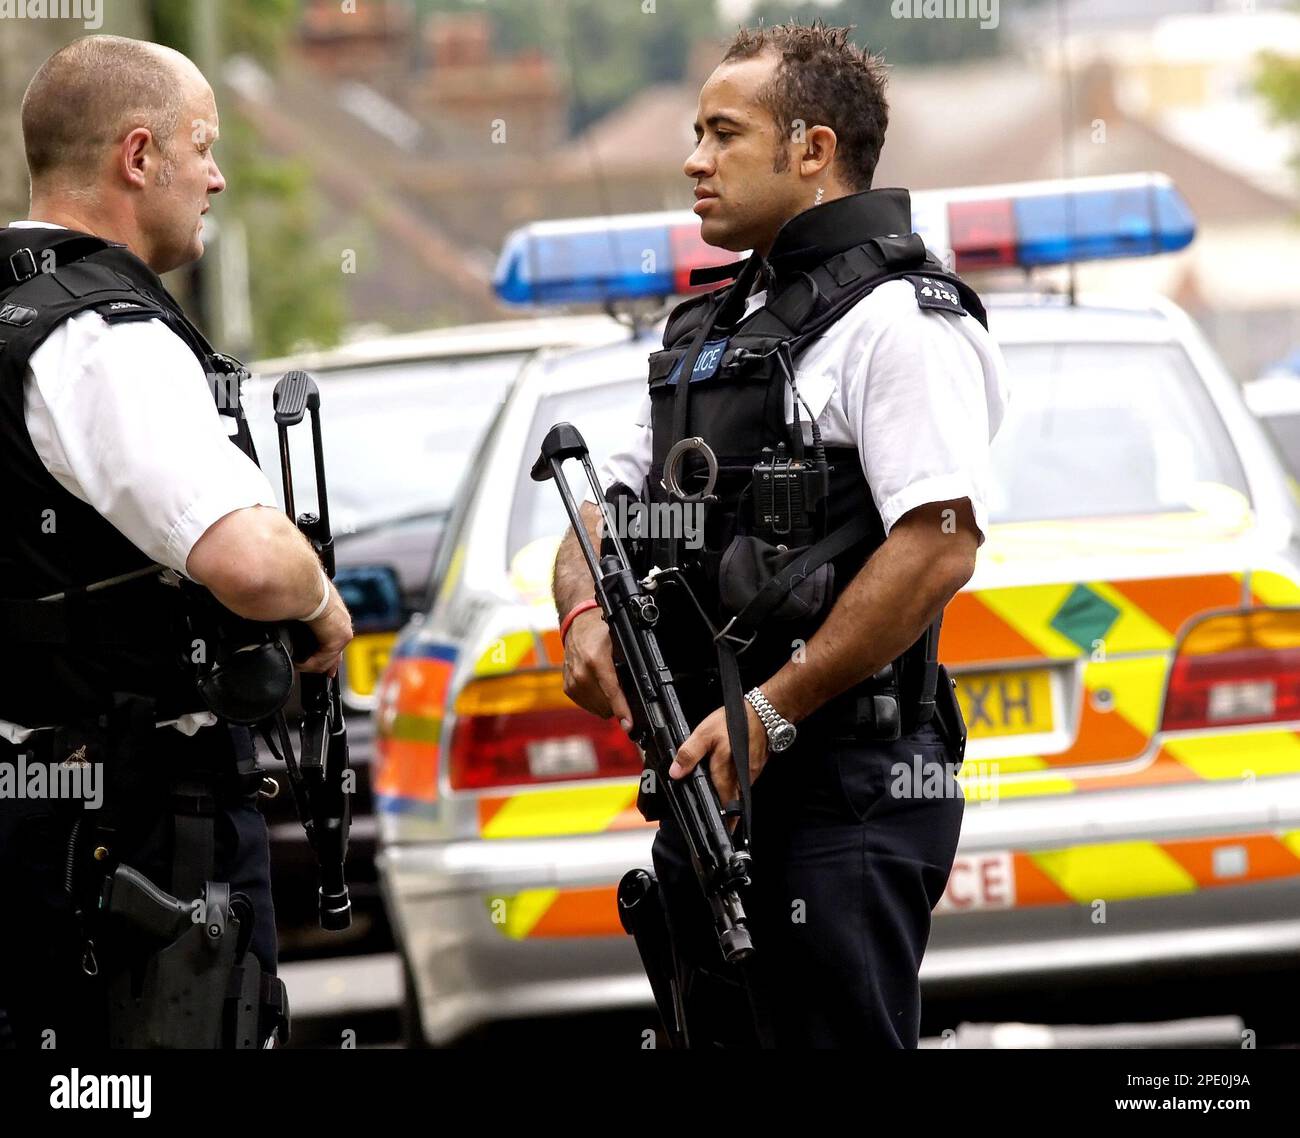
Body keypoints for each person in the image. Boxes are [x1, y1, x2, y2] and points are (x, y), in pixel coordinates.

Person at [552, 20, 1009, 1047]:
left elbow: (937, 544)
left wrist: (771, 709)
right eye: (696, 132)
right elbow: (601, 506)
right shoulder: (711, 330)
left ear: (811, 151)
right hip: (707, 786)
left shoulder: (901, 320)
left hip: (840, 790)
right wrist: (582, 607)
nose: (693, 159)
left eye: (723, 133)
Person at [0, 35, 353, 1049]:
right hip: (142, 825)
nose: (219, 174)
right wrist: (320, 600)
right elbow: (245, 558)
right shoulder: (103, 337)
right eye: (203, 146)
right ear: (137, 155)